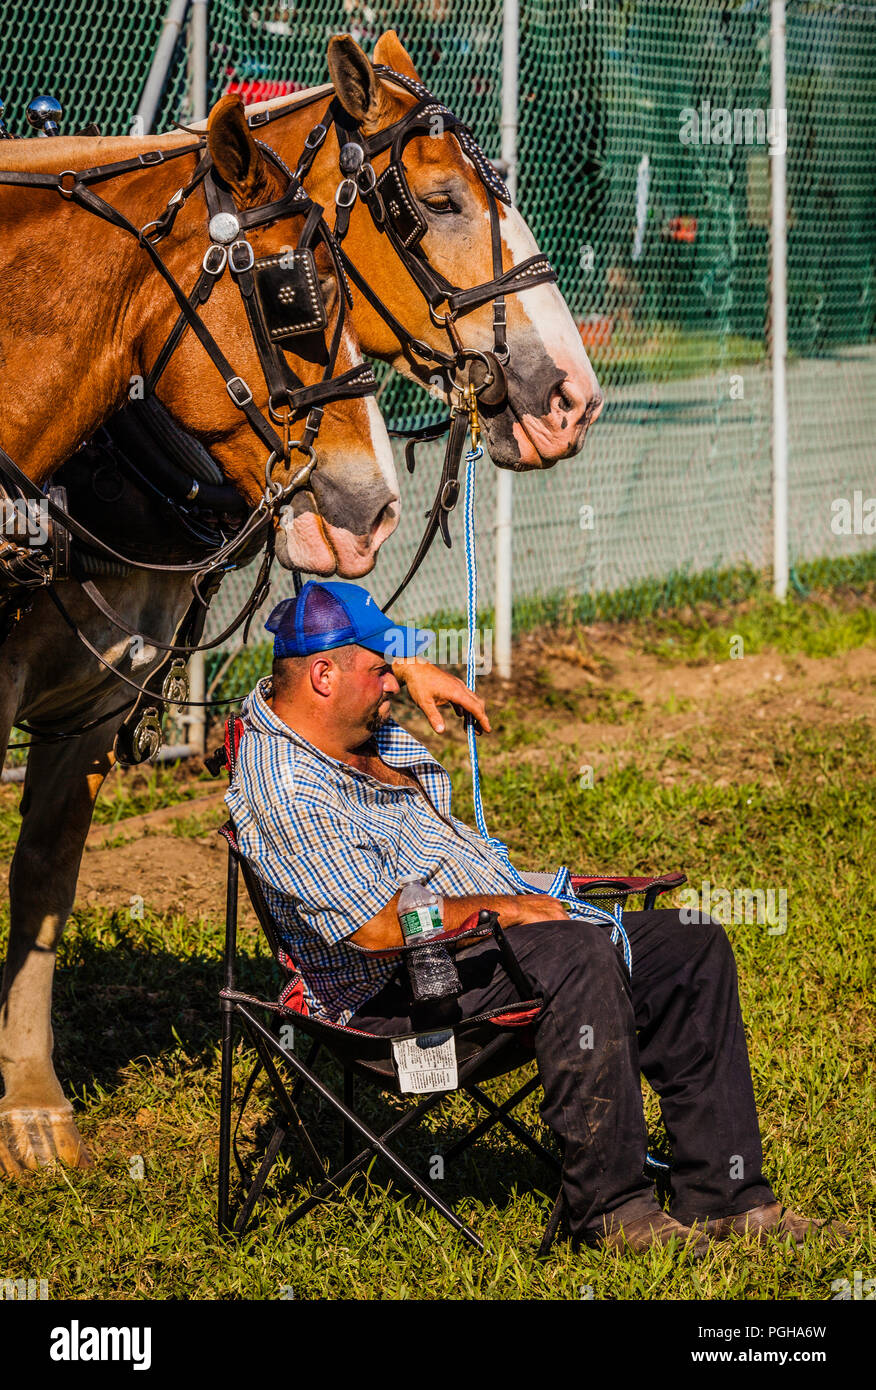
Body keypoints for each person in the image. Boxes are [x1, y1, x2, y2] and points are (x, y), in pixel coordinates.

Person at [224, 580, 848, 1255]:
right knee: (577, 956)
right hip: (401, 1000)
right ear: (323, 675)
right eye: (381, 671)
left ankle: (728, 1199)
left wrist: (394, 661)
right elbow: (375, 928)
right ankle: (615, 1214)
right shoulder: (285, 784)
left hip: (476, 947)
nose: (392, 687)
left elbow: (348, 673)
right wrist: (510, 908)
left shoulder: (345, 727)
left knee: (691, 945)